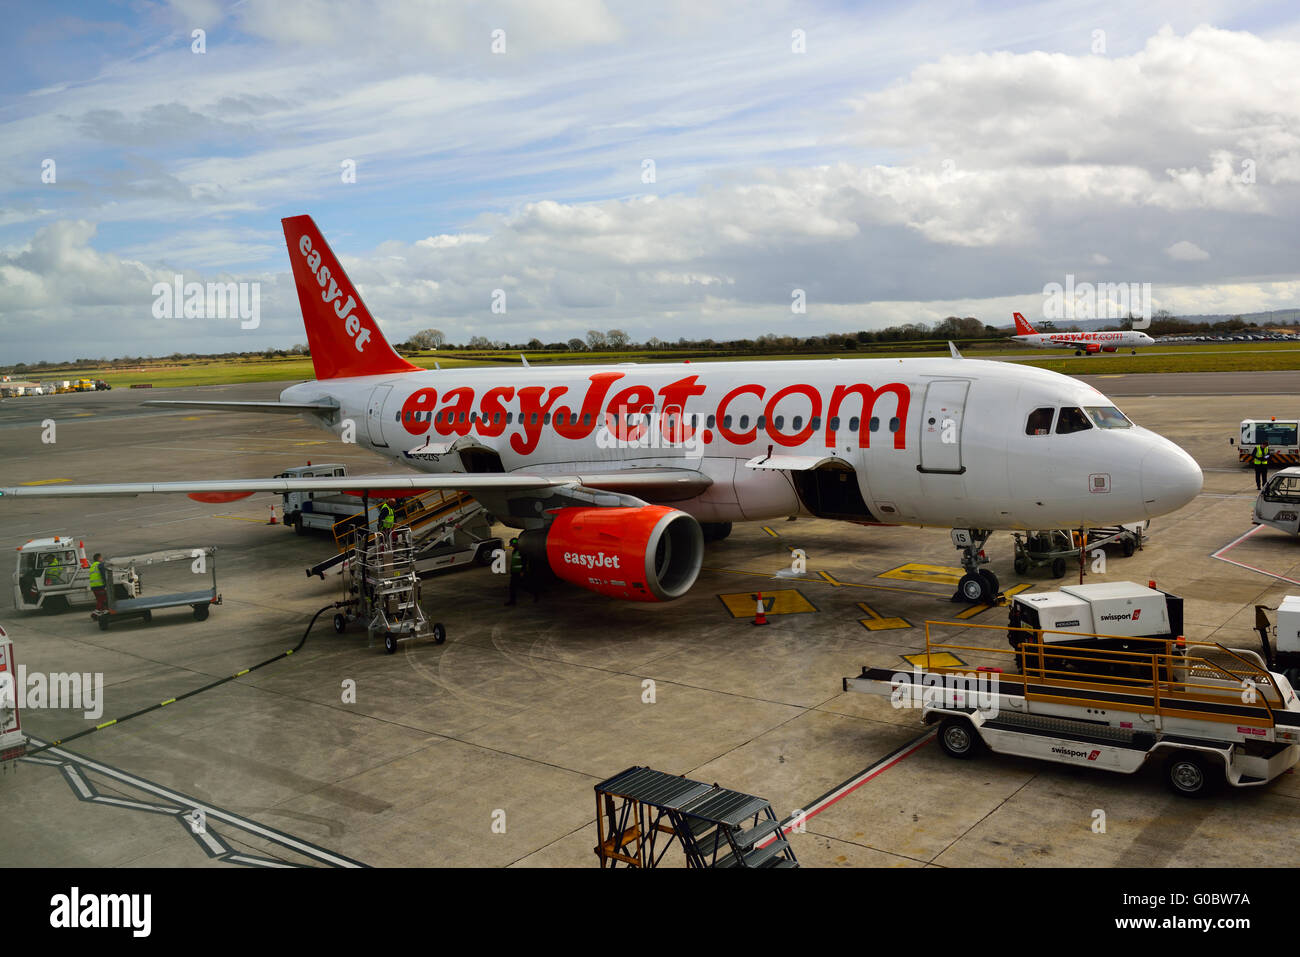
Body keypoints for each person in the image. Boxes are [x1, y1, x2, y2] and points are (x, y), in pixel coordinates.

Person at [504, 537, 539, 606]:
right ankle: (513, 601)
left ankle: (535, 594)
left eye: (512, 544)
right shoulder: (515, 551)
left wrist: (522, 572)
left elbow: (524, 562)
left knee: (521, 586)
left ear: (515, 544)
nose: (512, 546)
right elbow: (514, 561)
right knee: (515, 587)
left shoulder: (521, 551)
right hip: (514, 572)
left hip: (518, 573)